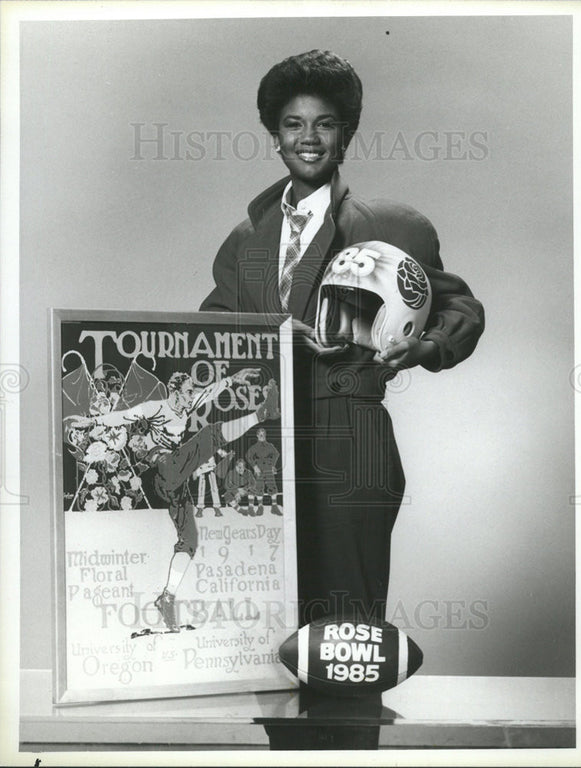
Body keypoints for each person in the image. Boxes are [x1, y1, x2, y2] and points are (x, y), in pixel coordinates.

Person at [200, 50, 485, 748]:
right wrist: (272, 338)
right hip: (260, 447)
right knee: (268, 637)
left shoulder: (392, 225)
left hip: (348, 436)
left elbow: (461, 309)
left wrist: (423, 347)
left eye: (324, 124)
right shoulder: (246, 239)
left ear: (346, 134)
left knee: (344, 635)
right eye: (293, 124)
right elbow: (210, 333)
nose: (308, 138)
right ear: (273, 133)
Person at [68, 369, 280, 630]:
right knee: (209, 435)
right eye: (188, 392)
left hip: (176, 480)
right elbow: (123, 416)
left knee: (190, 540)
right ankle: (261, 415)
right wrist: (92, 422)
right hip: (162, 472)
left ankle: (167, 598)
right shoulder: (155, 408)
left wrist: (233, 379)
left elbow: (209, 392)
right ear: (175, 392)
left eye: (192, 392)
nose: (192, 397)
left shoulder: (187, 404)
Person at [246, 427, 282, 516]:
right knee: (259, 487)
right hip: (259, 469)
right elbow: (248, 456)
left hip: (268, 468)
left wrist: (272, 465)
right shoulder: (254, 447)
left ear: (265, 435)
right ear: (257, 435)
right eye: (260, 434)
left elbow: (277, 454)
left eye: (263, 434)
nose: (262, 436)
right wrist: (254, 466)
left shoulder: (270, 446)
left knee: (272, 486)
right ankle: (260, 507)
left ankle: (274, 507)